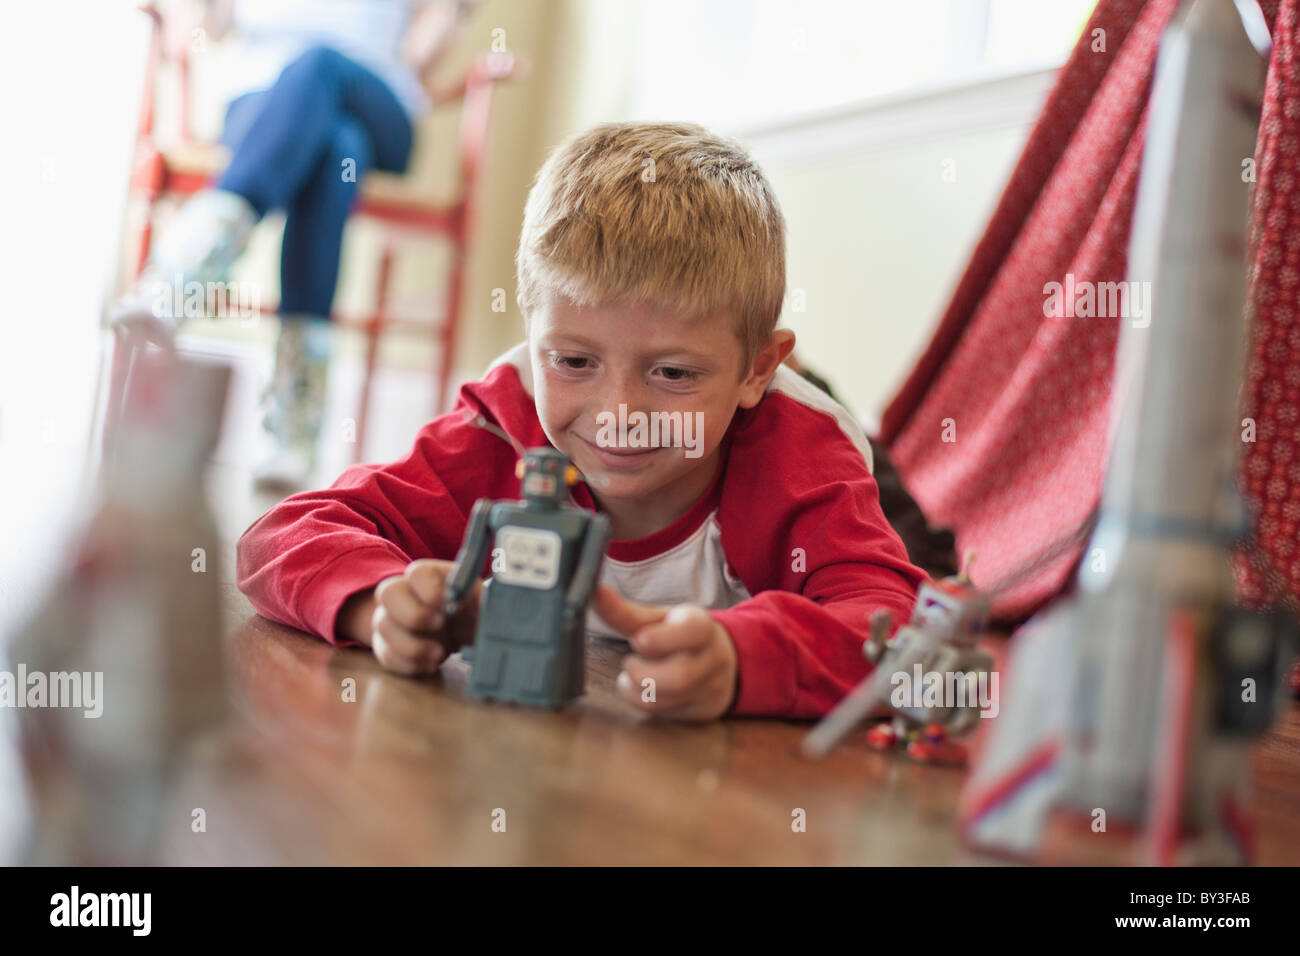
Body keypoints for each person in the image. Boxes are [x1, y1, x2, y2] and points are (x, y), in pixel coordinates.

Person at [236, 121, 928, 721]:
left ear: (757, 369)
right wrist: (376, 601)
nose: (618, 415)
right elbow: (281, 535)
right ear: (532, 338)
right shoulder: (504, 431)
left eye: (672, 374)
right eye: (573, 361)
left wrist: (748, 660)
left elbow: (893, 627)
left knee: (934, 558)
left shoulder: (798, 459)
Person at [113, 0, 479, 489]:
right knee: (336, 151)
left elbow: (418, 54)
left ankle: (186, 273)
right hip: (265, 107)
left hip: (377, 103)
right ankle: (293, 430)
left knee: (319, 63)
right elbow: (211, 30)